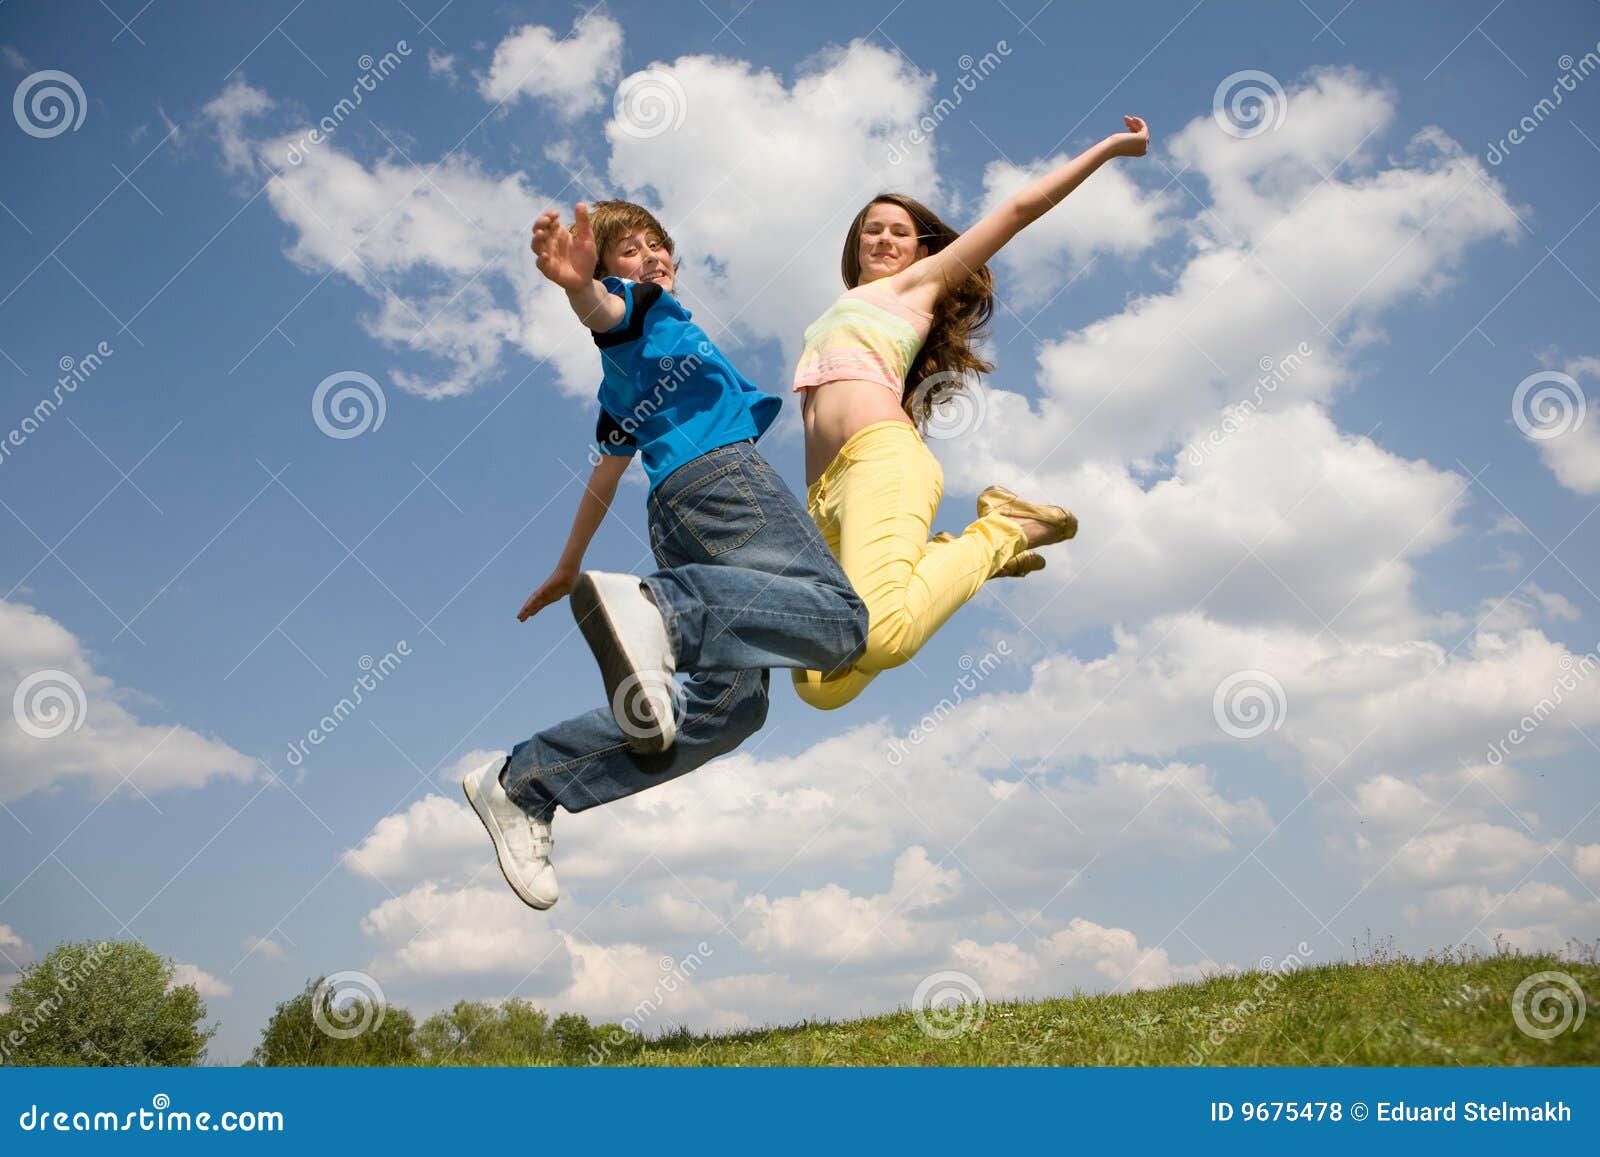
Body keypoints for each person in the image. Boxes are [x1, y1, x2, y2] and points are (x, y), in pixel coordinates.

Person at [464, 200, 868, 909]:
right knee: (840, 623)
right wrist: (578, 287)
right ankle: (665, 609)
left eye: (659, 246)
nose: (651, 257)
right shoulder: (646, 312)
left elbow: (604, 475)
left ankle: (526, 781)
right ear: (606, 267)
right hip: (723, 485)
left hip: (678, 515)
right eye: (629, 250)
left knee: (730, 712)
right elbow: (607, 313)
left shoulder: (631, 375)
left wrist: (568, 565)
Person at [792, 116, 1150, 711]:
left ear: (922, 250)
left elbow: (1017, 210)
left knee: (882, 637)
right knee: (819, 686)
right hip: (823, 496)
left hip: (880, 459)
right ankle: (953, 553)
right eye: (871, 231)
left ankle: (1004, 531)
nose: (883, 240)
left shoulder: (916, 289)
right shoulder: (836, 308)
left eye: (899, 233)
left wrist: (1111, 149)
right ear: (855, 246)